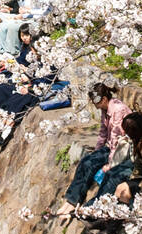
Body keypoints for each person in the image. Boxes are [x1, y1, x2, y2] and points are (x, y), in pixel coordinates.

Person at [53, 84, 131, 217]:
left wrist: (110, 163)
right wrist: (96, 152)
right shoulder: (105, 109)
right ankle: (72, 201)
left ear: (105, 99)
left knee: (105, 173)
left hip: (123, 151)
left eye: (96, 101)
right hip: (111, 147)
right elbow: (103, 133)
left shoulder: (118, 110)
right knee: (87, 162)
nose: (95, 105)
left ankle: (86, 208)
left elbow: (116, 139)